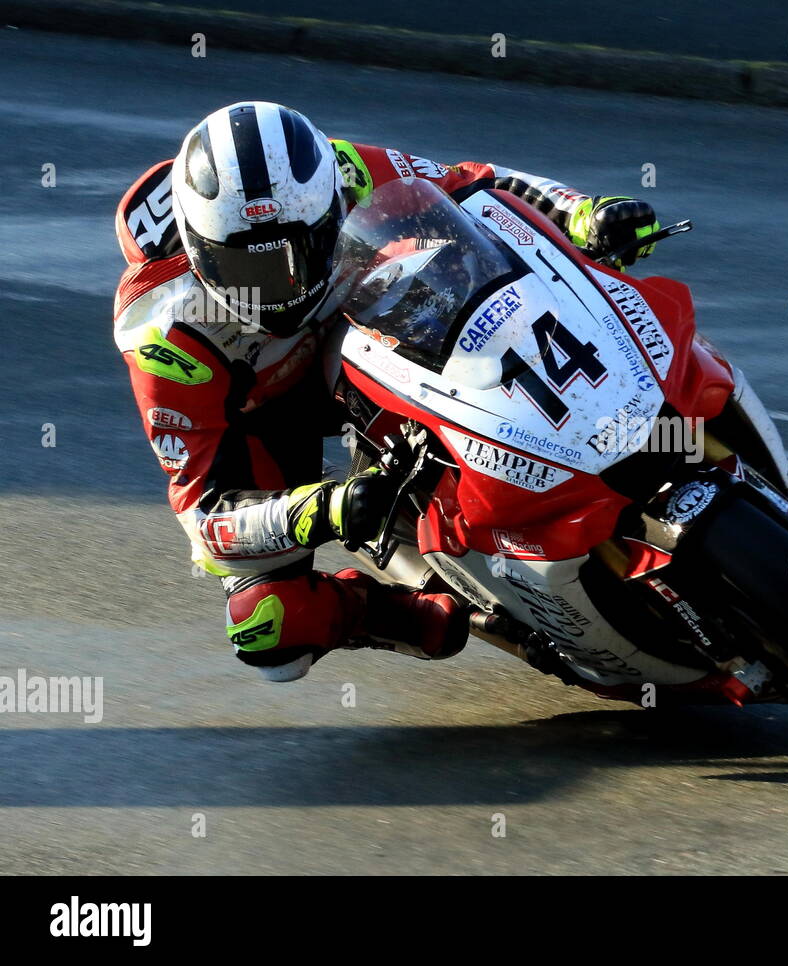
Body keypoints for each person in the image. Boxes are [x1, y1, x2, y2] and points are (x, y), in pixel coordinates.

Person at [113, 101, 659, 682]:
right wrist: (318, 509)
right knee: (271, 631)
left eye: (302, 248)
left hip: (359, 316)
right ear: (201, 252)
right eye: (249, 268)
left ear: (326, 207)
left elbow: (477, 187)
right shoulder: (164, 336)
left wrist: (581, 213)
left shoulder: (343, 169)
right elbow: (207, 519)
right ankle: (411, 607)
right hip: (266, 414)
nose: (283, 286)